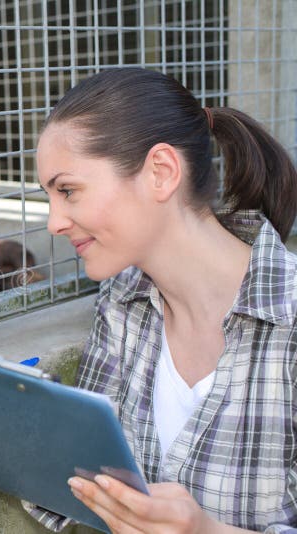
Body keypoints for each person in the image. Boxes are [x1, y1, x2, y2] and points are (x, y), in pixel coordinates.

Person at [28, 67, 297, 533]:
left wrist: (205, 531)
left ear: (161, 173)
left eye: (68, 190)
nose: (54, 222)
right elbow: (85, 478)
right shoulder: (120, 300)